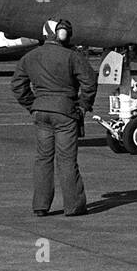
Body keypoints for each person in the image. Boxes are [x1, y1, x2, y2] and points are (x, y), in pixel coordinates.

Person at [11, 19, 96, 216]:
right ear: (62, 34)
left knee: (43, 158)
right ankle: (73, 205)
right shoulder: (72, 56)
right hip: (65, 113)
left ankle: (40, 205)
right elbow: (90, 82)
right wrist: (83, 106)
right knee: (66, 160)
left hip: (41, 113)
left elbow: (17, 85)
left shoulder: (29, 57)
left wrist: (32, 105)